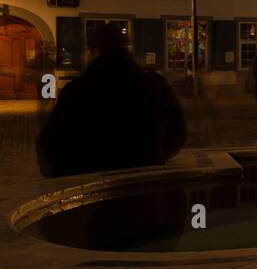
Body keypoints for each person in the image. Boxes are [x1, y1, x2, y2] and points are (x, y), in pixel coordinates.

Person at [37, 22, 186, 177]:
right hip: (145, 182)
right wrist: (154, 156)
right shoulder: (155, 84)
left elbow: (51, 143)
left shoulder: (79, 90)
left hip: (94, 183)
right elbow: (177, 132)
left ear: (95, 51)